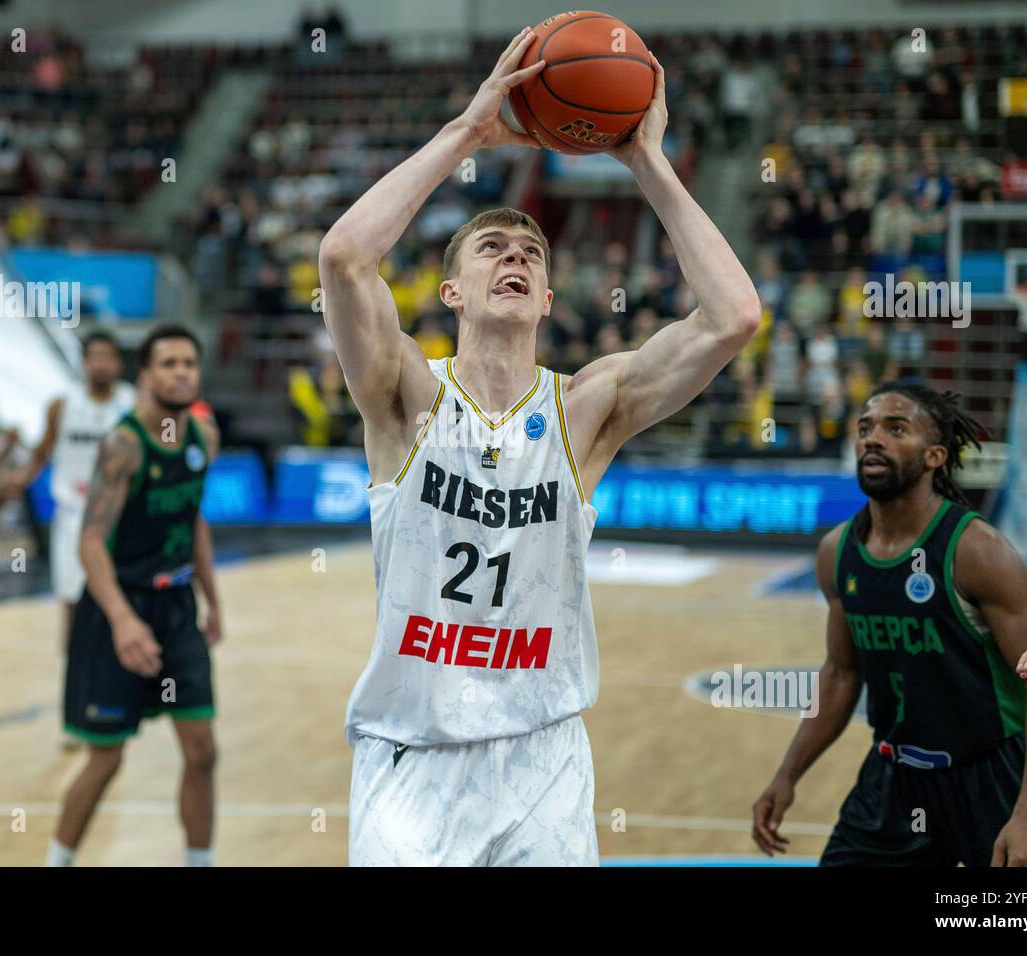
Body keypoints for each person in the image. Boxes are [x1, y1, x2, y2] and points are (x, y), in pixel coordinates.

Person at [319, 28, 760, 866]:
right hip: (411, 754)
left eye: (530, 252)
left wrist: (645, 160)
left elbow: (733, 316)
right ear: (452, 290)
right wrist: (467, 133)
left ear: (549, 295)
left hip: (542, 756)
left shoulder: (586, 409)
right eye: (491, 248)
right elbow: (343, 257)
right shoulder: (407, 395)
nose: (514, 256)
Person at [751, 382, 1027, 866]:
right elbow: (841, 675)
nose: (872, 439)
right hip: (894, 778)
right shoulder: (837, 552)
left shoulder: (976, 550)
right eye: (865, 428)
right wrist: (787, 775)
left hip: (989, 776)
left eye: (895, 428)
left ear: (934, 456)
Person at [46, 325, 222, 867]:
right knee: (105, 759)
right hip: (116, 611)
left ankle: (199, 862)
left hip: (175, 612)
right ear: (145, 377)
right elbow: (90, 542)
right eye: (168, 364)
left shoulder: (203, 439)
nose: (181, 372)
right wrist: (123, 621)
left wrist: (214, 599)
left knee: (202, 751)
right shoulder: (123, 444)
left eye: (189, 362)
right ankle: (57, 862)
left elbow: (193, 521)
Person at [24, 331, 136, 749]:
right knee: (74, 616)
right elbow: (41, 450)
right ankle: (73, 715)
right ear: (83, 363)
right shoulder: (62, 405)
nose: (101, 364)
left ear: (117, 364)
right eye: (94, 357)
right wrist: (18, 478)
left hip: (119, 521)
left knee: (116, 614)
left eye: (108, 356)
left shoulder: (132, 405)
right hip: (73, 519)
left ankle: (113, 706)